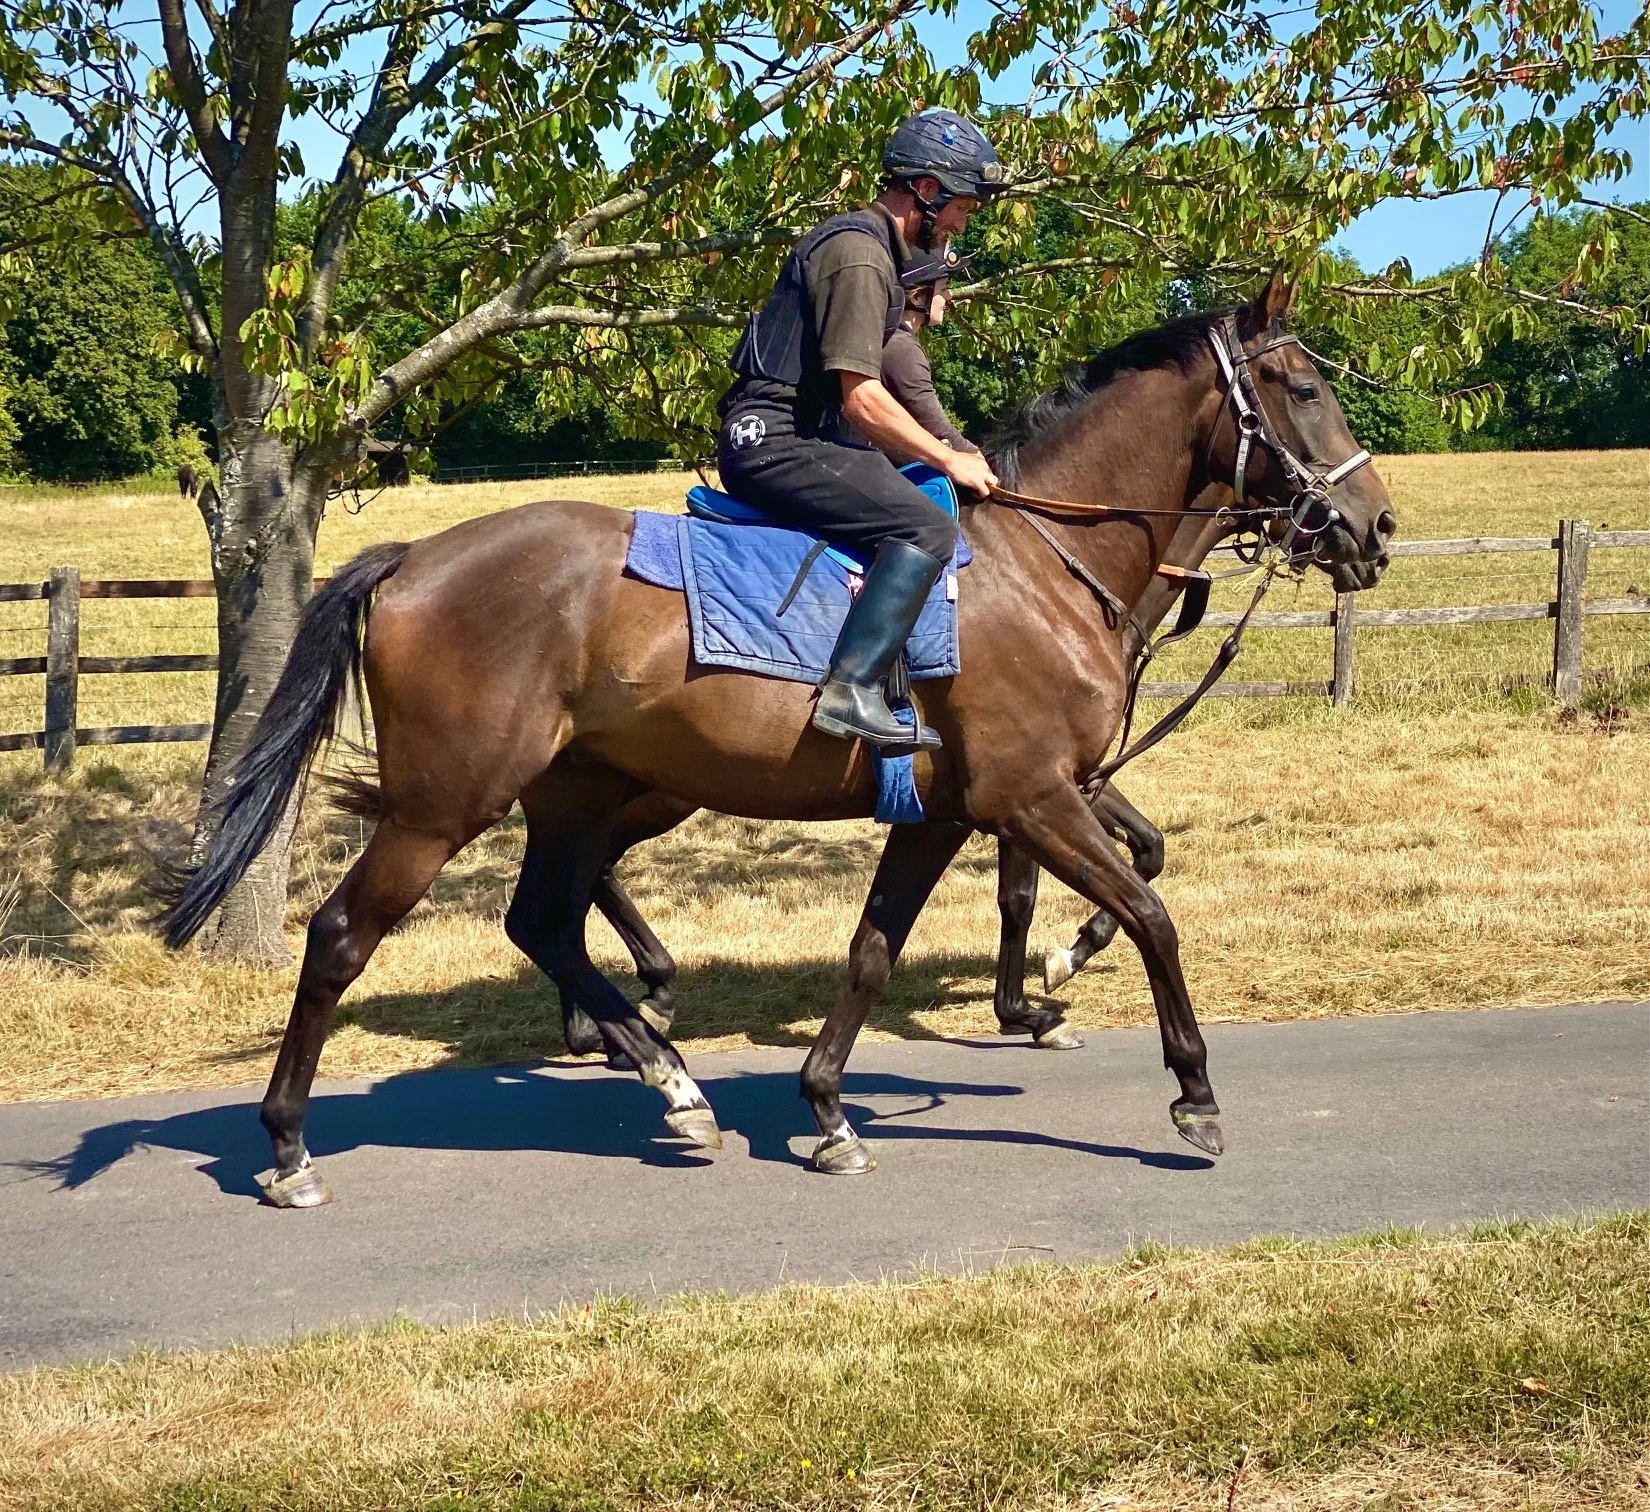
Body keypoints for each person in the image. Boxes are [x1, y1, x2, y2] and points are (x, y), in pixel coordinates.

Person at [716, 109, 1005, 753]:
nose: (963, 223)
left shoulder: (882, 259)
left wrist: (960, 452)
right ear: (927, 192)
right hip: (775, 438)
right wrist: (949, 461)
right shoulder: (858, 254)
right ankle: (851, 689)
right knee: (927, 525)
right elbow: (862, 400)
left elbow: (908, 384)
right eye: (961, 206)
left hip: (807, 439)